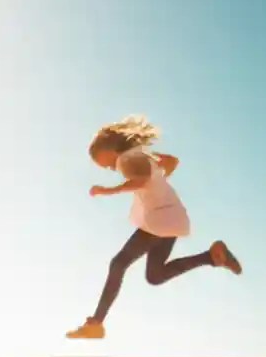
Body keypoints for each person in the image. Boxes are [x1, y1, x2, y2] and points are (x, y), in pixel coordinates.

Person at [67, 116, 242, 340]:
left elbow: (140, 181)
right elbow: (172, 162)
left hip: (159, 220)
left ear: (111, 149)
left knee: (119, 263)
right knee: (155, 276)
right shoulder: (140, 156)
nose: (111, 168)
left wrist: (106, 191)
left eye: (106, 163)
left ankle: (96, 324)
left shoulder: (126, 159)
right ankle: (212, 257)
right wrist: (161, 173)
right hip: (172, 218)